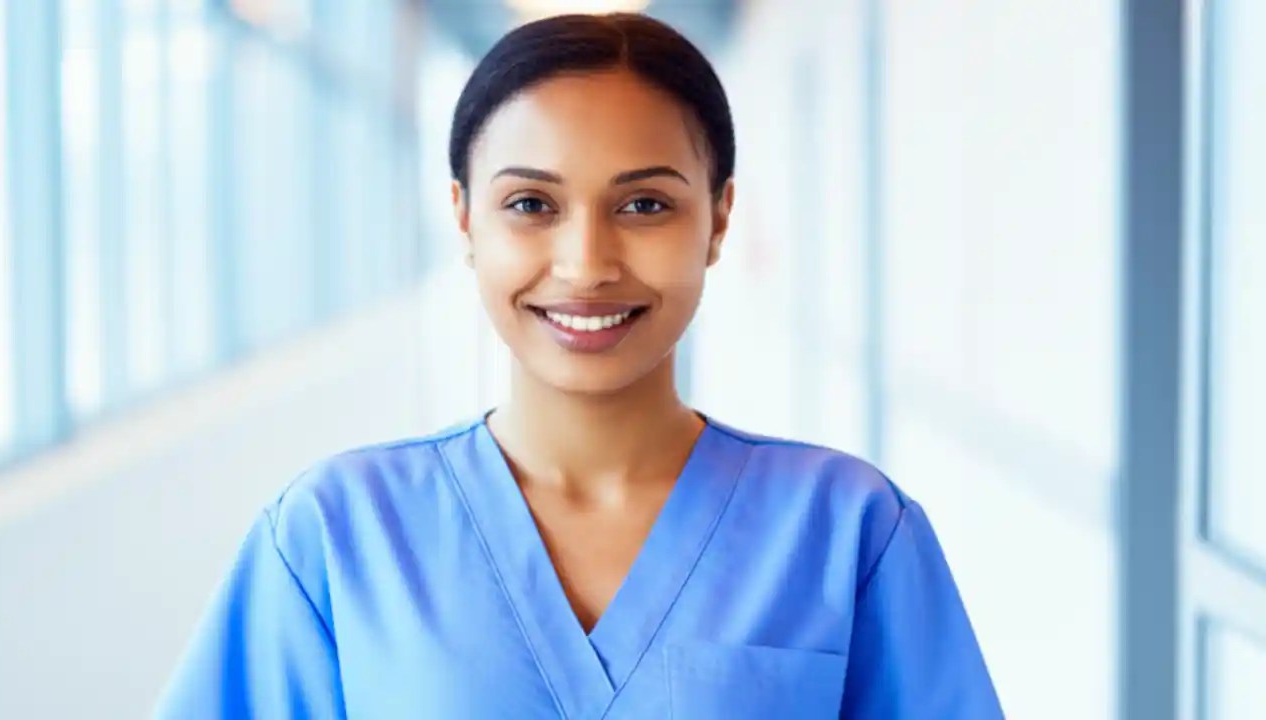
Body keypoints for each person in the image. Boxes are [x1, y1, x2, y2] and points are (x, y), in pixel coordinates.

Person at [155, 12, 1003, 719]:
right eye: (531, 204)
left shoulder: (847, 531)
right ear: (464, 219)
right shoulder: (336, 537)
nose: (586, 262)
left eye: (644, 204)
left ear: (717, 219)